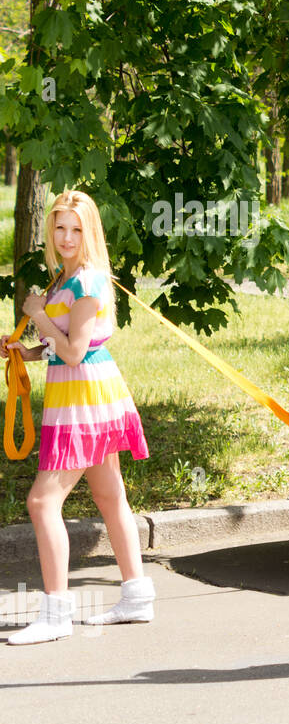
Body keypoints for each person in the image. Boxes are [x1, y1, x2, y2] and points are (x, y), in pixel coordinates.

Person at [4, 190, 153, 645]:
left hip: (85, 397)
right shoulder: (63, 279)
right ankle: (136, 597)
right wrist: (25, 352)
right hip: (87, 390)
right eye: (59, 227)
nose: (66, 237)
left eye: (76, 229)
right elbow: (62, 346)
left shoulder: (86, 282)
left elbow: (71, 350)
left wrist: (35, 315)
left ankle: (56, 615)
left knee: (42, 502)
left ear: (89, 233)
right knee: (110, 497)